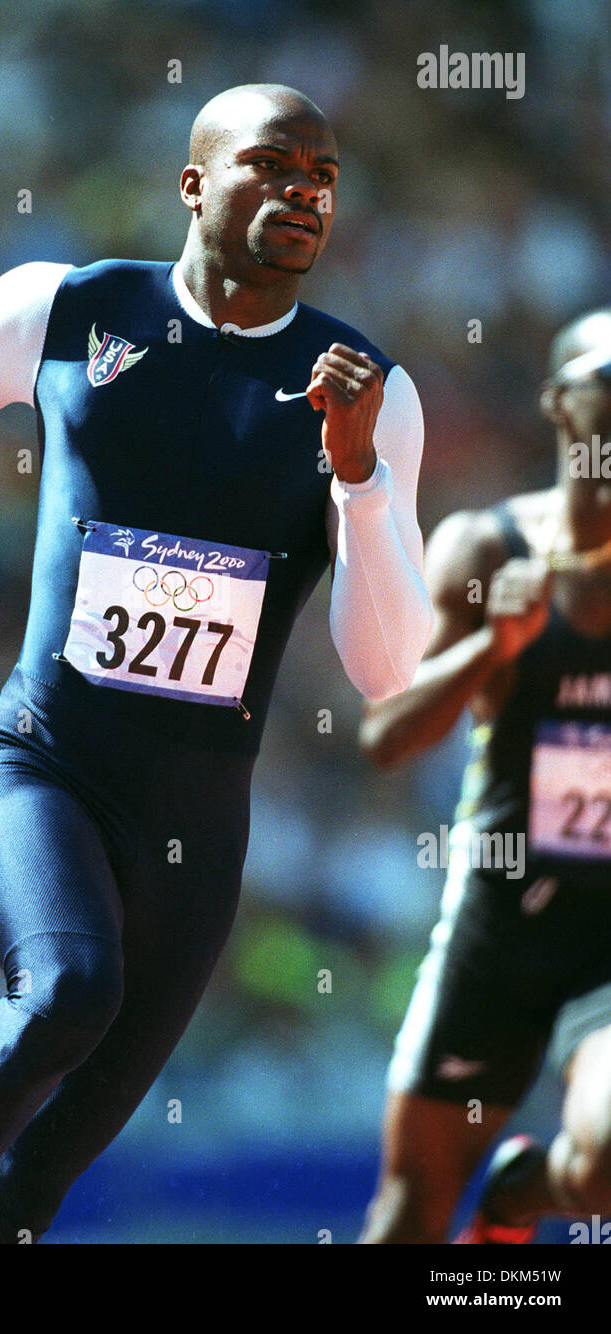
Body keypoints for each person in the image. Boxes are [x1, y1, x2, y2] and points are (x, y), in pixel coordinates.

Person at [0, 83, 433, 1245]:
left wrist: (359, 480)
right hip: (38, 772)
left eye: (322, 176)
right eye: (271, 164)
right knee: (70, 991)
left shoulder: (368, 391)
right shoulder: (69, 309)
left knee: (32, 1193)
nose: (302, 193)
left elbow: (389, 672)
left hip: (197, 846)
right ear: (193, 181)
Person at [358, 310, 611, 1245]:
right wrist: (487, 653)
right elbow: (385, 738)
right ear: (559, 403)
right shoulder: (486, 547)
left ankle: (518, 1197)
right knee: (409, 1213)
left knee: (609, 1159)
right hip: (501, 915)